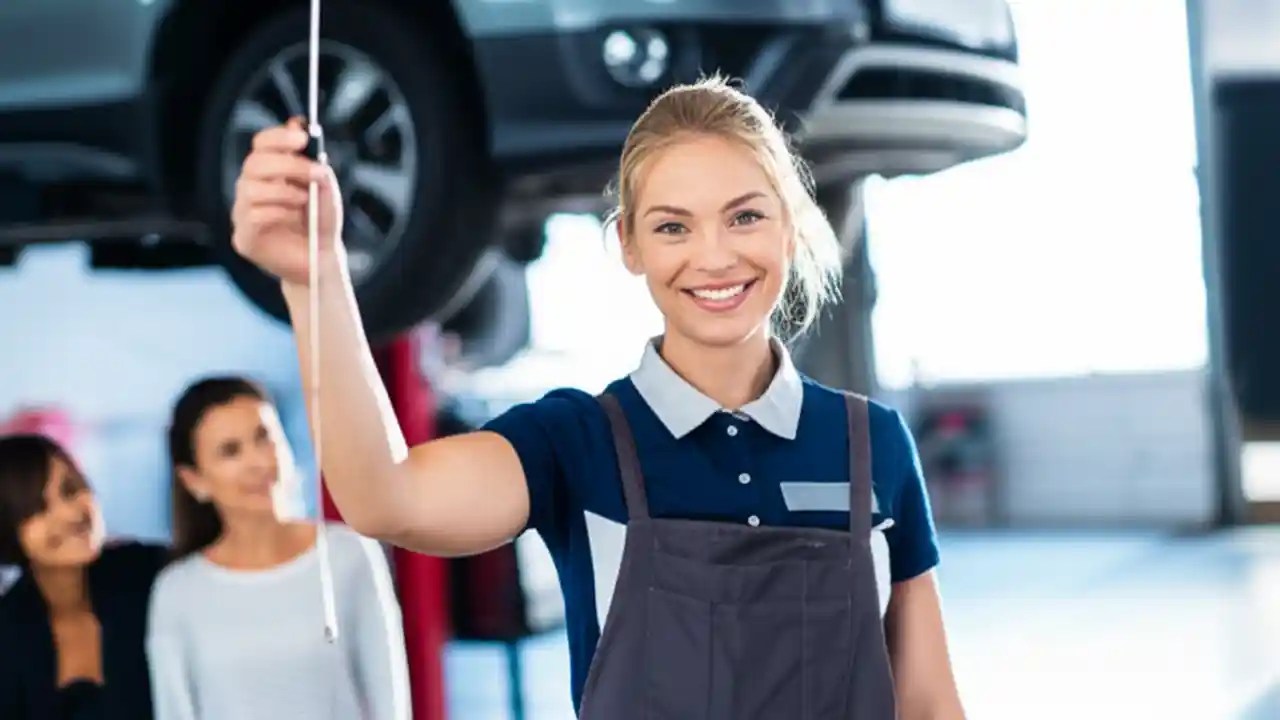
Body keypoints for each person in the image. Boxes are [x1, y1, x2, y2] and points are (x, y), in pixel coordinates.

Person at [232, 76, 966, 718]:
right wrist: (315, 277)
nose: (714, 256)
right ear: (629, 246)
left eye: (745, 215)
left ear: (789, 222)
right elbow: (385, 498)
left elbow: (931, 704)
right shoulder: (578, 443)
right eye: (672, 226)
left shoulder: (873, 445)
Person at [145, 377, 409, 720]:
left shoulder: (348, 554)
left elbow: (390, 699)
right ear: (194, 480)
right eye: (230, 451)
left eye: (264, 437)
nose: (258, 461)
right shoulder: (177, 591)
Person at [0, 434, 168, 719]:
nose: (68, 514)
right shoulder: (7, 633)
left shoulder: (152, 573)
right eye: (39, 508)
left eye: (71, 489)